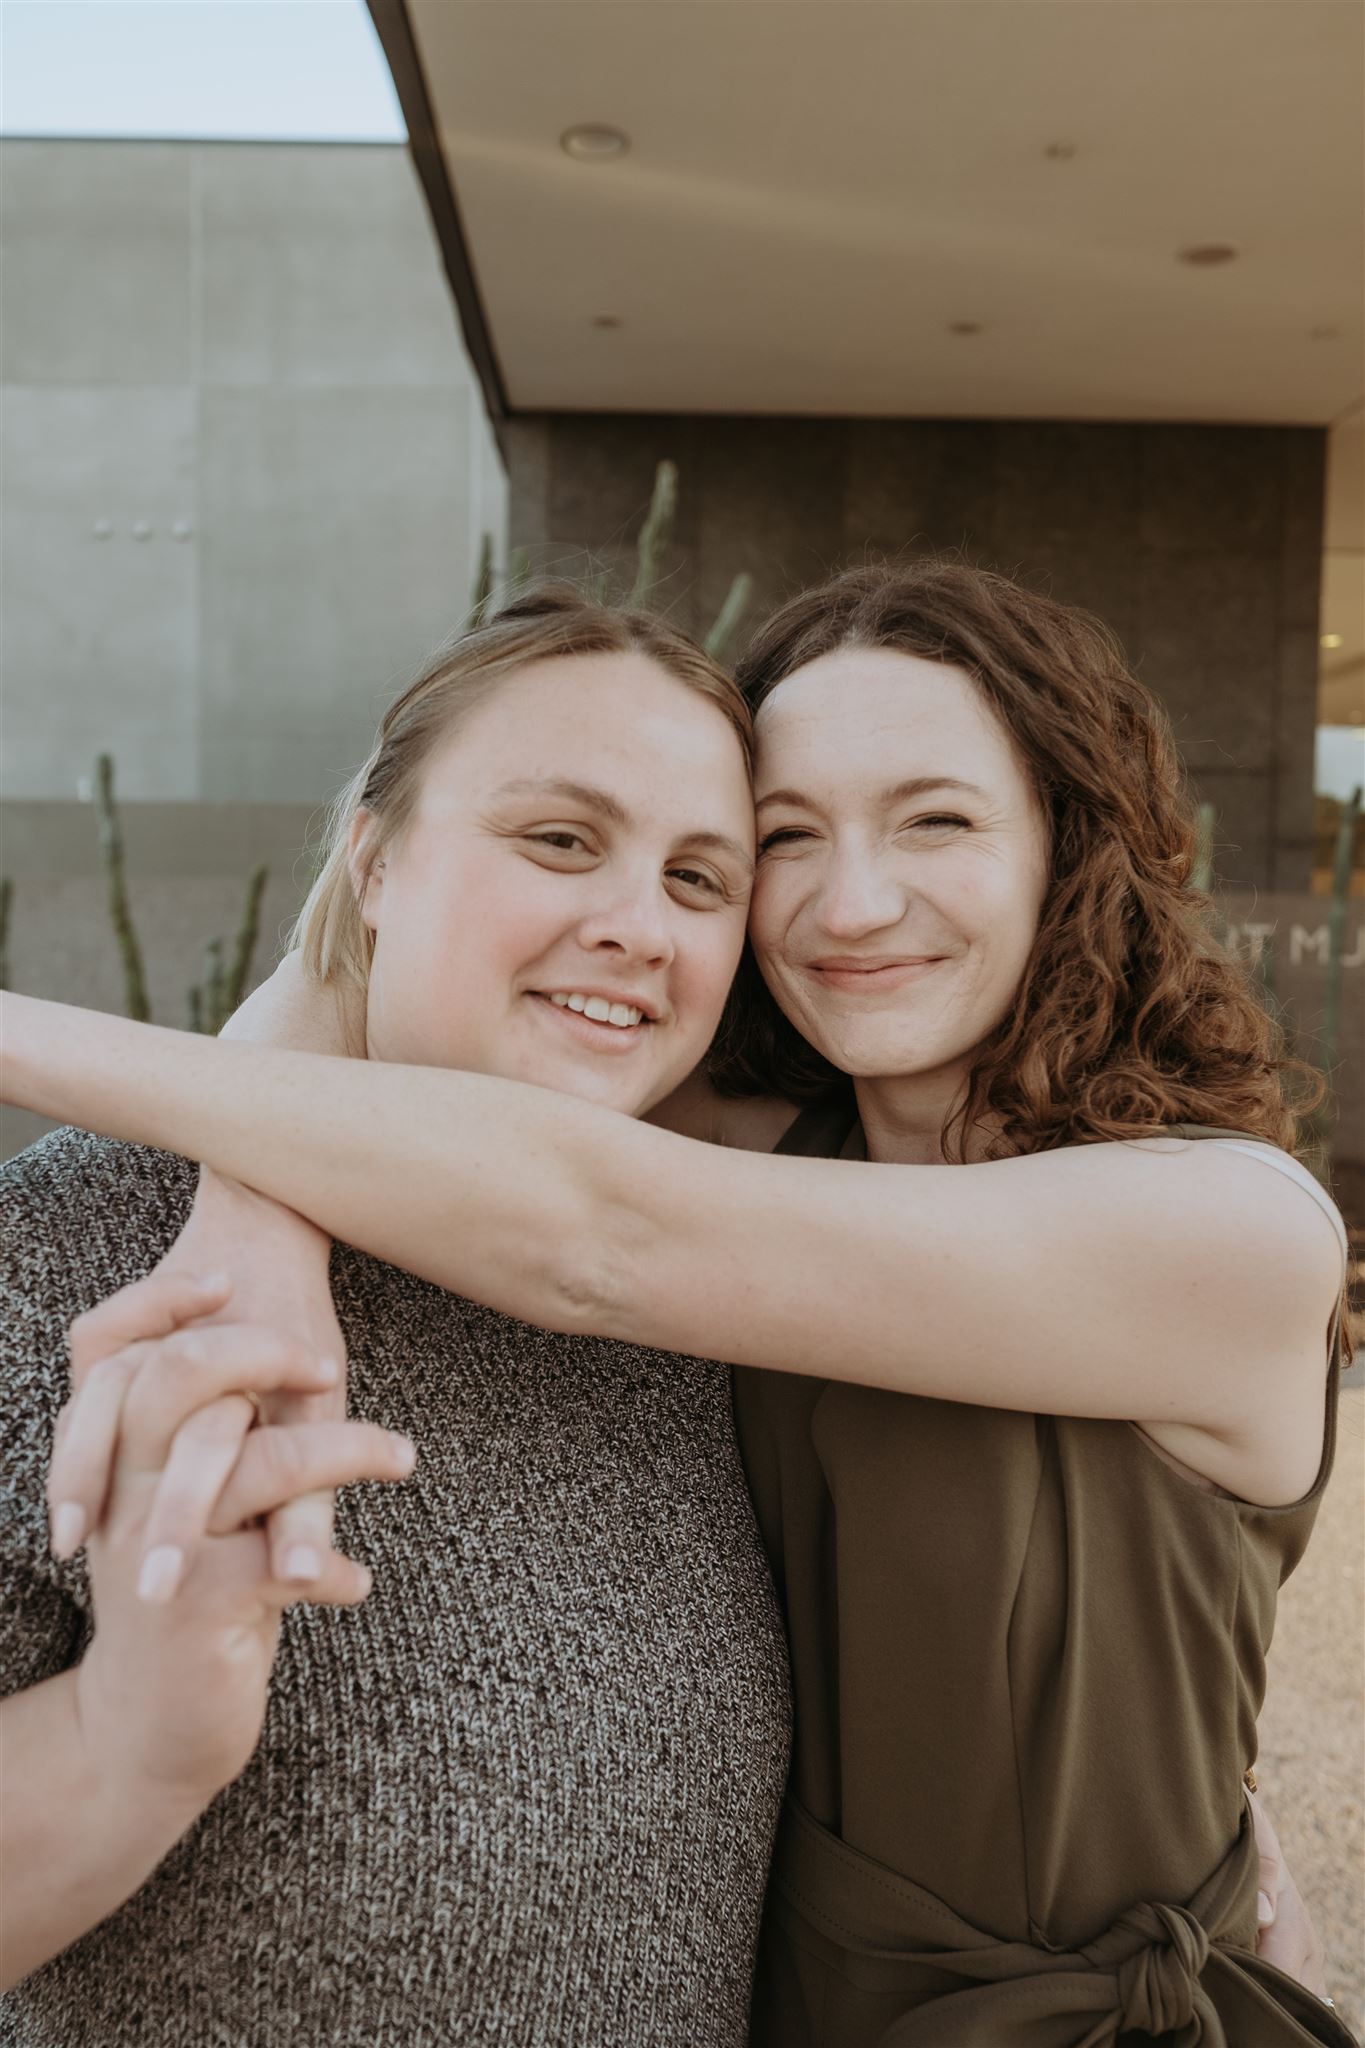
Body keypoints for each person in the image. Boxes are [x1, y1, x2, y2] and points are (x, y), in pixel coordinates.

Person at [4, 559, 1354, 2045]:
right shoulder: (756, 1149)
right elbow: (359, 994)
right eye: (787, 839)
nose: (852, 901)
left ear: (1067, 849)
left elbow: (596, 1226)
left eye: (936, 820)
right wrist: (250, 1230)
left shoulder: (1233, 1229)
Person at [0, 588, 793, 2045]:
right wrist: (129, 1741)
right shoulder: (75, 1253)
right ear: (373, 862)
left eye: (699, 879)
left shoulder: (727, 1291)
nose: (638, 927)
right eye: (561, 840)